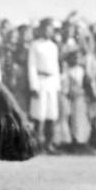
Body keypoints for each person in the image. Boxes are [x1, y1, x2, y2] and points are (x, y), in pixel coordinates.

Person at [28, 18, 61, 152]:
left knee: (51, 113)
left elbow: (56, 66)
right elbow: (32, 66)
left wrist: (57, 86)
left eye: (51, 29)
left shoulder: (53, 46)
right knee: (39, 113)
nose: (49, 31)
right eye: (47, 28)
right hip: (40, 80)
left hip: (51, 81)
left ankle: (49, 144)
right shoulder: (35, 45)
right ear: (41, 29)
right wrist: (33, 85)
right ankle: (36, 144)